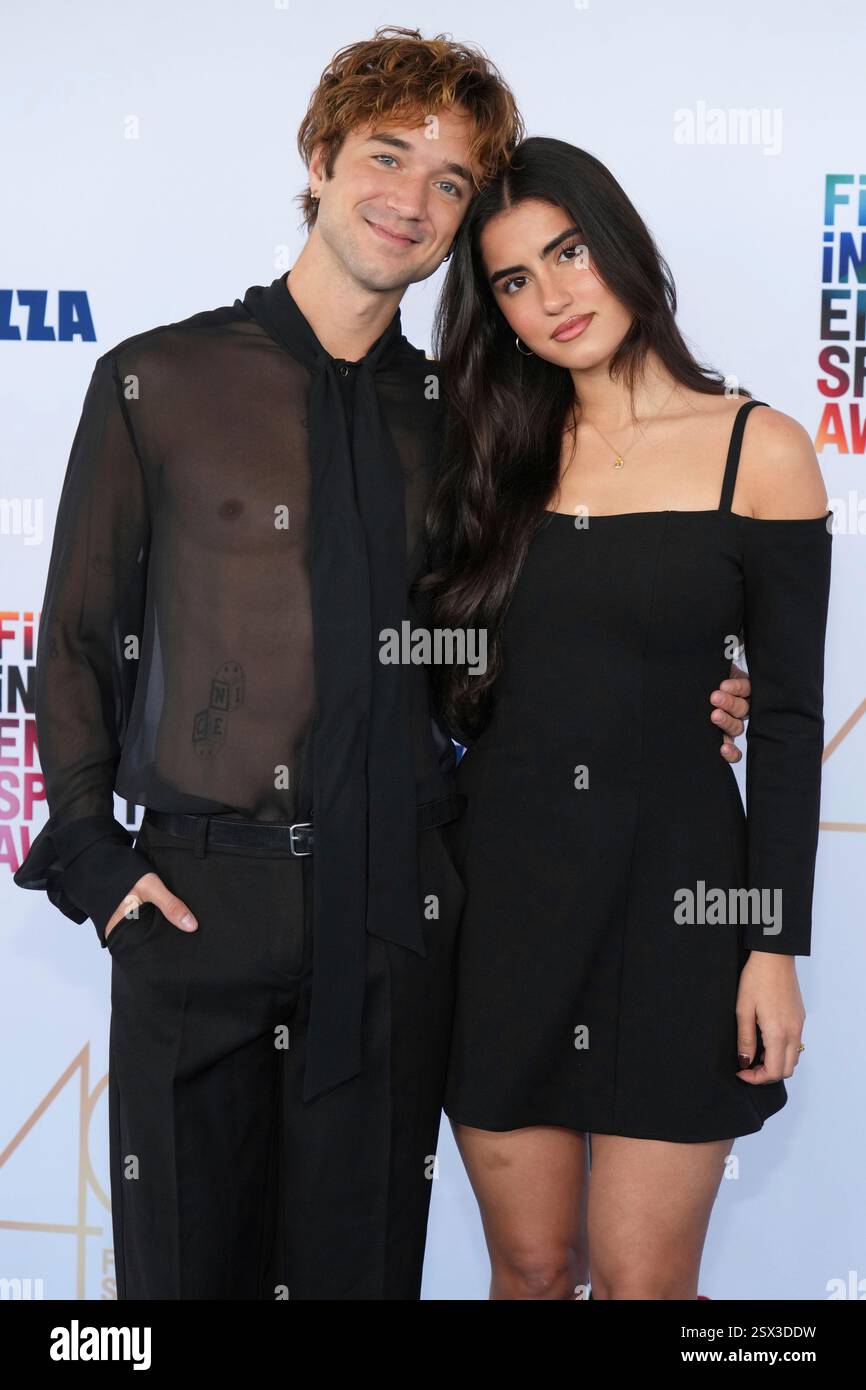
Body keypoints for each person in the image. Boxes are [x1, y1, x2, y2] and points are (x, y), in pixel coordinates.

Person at [14, 33, 752, 1300]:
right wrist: (99, 865)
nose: (411, 199)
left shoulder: (466, 422)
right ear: (320, 159)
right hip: (198, 904)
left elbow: (508, 656)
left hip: (399, 917)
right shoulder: (158, 379)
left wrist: (686, 696)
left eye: (451, 182)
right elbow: (76, 640)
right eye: (386, 156)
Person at [418, 137, 832, 1301]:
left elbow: (791, 720)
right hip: (500, 908)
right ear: (492, 310)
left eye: (569, 251)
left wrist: (771, 944)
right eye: (510, 279)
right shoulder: (483, 452)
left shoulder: (760, 451)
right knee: (533, 1269)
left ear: (623, 249)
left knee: (648, 1285)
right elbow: (427, 672)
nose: (550, 296)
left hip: (681, 911)